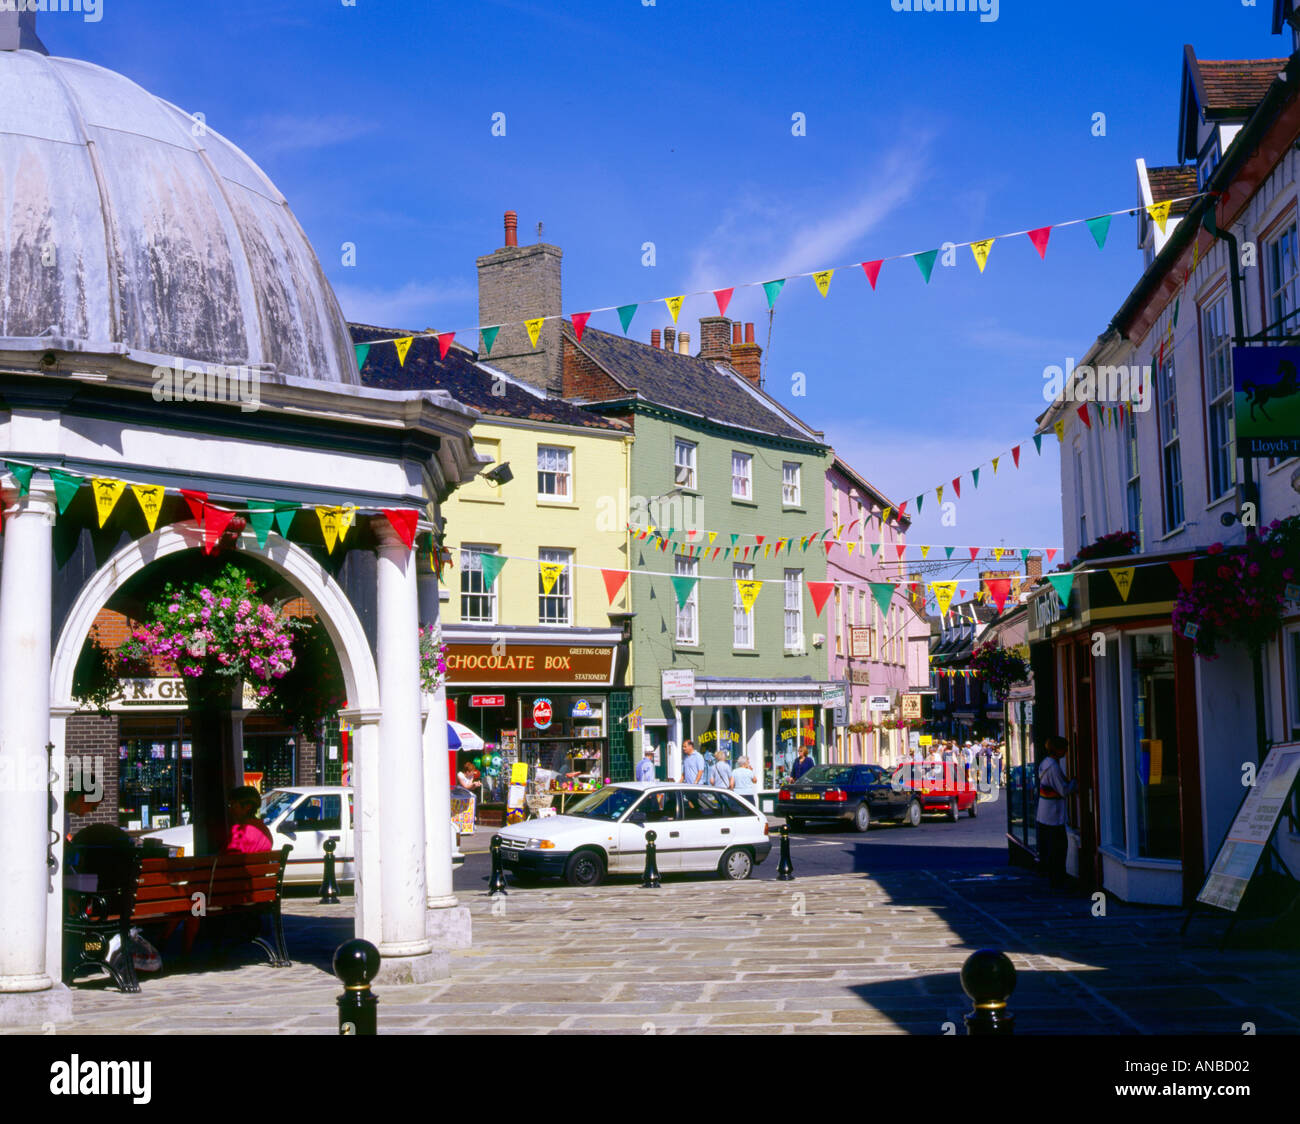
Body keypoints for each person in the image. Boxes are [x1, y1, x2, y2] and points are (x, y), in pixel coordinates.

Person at [1035, 735, 1077, 890]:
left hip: (1045, 814)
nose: (1066, 751)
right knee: (1059, 848)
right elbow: (1064, 790)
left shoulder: (1045, 763)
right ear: (1058, 749)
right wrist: (1074, 782)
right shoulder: (1053, 767)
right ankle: (1057, 879)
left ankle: (1054, 877)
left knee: (1051, 848)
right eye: (1064, 748)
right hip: (1053, 815)